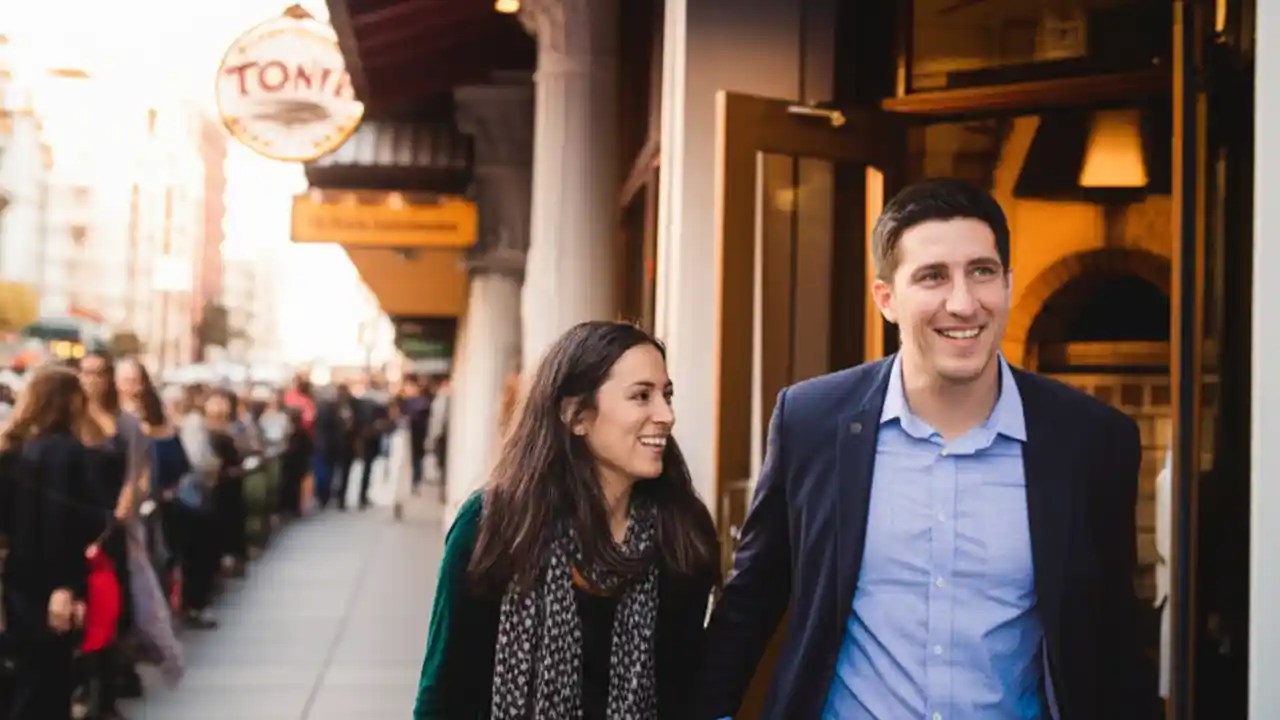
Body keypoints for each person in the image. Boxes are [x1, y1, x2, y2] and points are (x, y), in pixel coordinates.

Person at [696, 179, 1143, 719]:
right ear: (885, 298)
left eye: (982, 272)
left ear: (1007, 283)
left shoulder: (1091, 440)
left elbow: (1115, 642)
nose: (963, 303)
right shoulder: (811, 422)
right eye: (933, 276)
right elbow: (750, 603)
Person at [414, 321, 720, 719]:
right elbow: (444, 694)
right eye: (641, 396)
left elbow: (685, 694)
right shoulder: (494, 525)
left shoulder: (681, 532)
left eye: (667, 395)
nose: (666, 415)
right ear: (576, 416)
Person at [0, 366, 104, 720]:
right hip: (52, 582)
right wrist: (67, 586)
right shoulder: (70, 454)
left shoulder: (12, 451)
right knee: (49, 683)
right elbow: (73, 524)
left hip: (17, 582)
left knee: (24, 681)